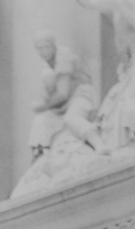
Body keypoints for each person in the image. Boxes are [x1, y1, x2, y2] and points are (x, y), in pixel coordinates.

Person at [29, 31, 105, 160]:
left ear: (53, 46)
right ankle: (41, 156)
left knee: (72, 118)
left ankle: (99, 145)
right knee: (41, 121)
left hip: (82, 95)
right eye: (40, 48)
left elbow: (63, 94)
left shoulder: (63, 57)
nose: (43, 51)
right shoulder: (47, 67)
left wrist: (43, 106)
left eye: (46, 47)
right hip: (66, 103)